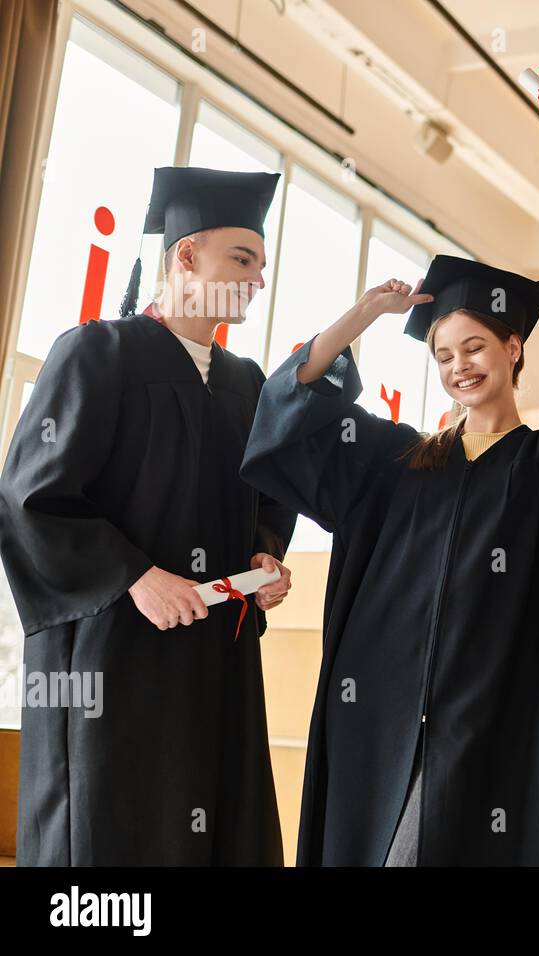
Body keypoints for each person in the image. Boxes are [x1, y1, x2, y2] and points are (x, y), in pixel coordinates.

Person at [240, 99, 539, 865]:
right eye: (442, 355)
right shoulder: (395, 463)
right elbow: (291, 406)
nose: (459, 366)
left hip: (484, 720)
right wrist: (365, 313)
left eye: (474, 347)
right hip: (375, 711)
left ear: (513, 349)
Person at [0, 166, 297, 865]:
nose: (257, 279)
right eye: (243, 259)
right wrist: (135, 576)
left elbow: (269, 495)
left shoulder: (245, 384)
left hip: (213, 658)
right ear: (187, 256)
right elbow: (30, 497)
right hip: (113, 661)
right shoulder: (98, 354)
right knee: (114, 839)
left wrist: (263, 554)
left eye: (262, 264)